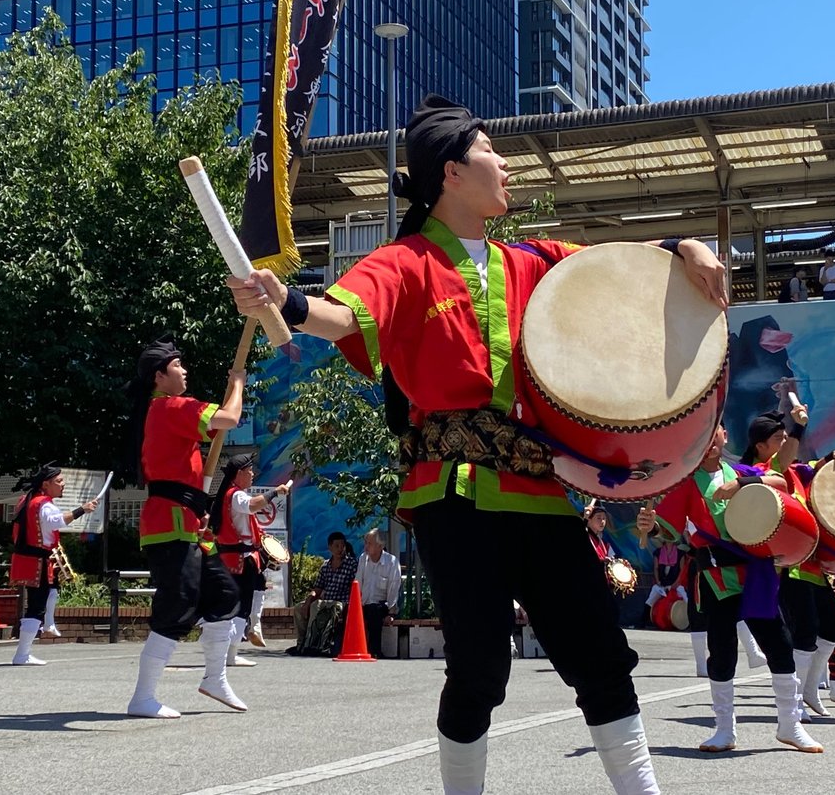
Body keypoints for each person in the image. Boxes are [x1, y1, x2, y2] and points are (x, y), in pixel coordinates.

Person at [230, 94, 726, 795]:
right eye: (492, 152)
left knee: (599, 653)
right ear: (452, 173)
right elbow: (342, 316)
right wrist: (285, 302)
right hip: (453, 493)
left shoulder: (532, 262)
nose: (505, 165)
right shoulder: (404, 262)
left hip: (539, 488)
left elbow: (623, 269)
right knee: (480, 667)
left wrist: (690, 248)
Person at [639, 425, 822, 754]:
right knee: (721, 653)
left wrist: (742, 483)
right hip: (715, 578)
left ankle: (790, 725)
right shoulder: (685, 485)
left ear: (725, 436)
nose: (711, 441)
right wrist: (649, 527)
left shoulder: (740, 471)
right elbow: (664, 533)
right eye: (704, 435)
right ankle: (724, 729)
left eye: (716, 433)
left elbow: (779, 481)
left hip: (755, 575)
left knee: (779, 645)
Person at [124, 335, 247, 718]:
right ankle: (142, 696)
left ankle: (214, 678)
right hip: (169, 523)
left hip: (189, 521)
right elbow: (230, 418)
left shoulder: (168, 412)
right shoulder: (169, 407)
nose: (184, 370)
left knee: (225, 595)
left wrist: (199, 505)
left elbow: (183, 469)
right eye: (177, 365)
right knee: (177, 602)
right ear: (160, 376)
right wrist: (238, 382)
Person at [742, 409, 835, 720]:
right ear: (760, 446)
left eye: (784, 438)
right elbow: (786, 457)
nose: (784, 443)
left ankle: (809, 692)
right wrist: (798, 426)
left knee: (832, 630)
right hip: (786, 566)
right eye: (778, 439)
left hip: (812, 564)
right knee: (804, 633)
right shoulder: (763, 472)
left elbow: (817, 469)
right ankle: (796, 701)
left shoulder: (796, 471)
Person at [8, 464, 98, 666]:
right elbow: (56, 521)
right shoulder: (44, 504)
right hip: (37, 559)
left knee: (51, 592)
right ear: (45, 484)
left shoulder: (27, 500)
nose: (63, 484)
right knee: (36, 605)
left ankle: (48, 624)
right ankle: (22, 654)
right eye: (59, 481)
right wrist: (81, 509)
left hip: (30, 557)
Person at [212, 454, 290, 668]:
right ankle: (232, 652)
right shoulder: (236, 496)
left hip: (243, 557)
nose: (253, 473)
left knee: (258, 588)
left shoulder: (233, 495)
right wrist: (275, 492)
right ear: (239, 474)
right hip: (239, 559)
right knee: (241, 607)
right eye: (249, 470)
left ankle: (253, 627)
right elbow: (254, 505)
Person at [290, 531, 357, 656]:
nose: (340, 549)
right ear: (330, 547)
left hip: (341, 602)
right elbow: (318, 588)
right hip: (325, 601)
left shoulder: (352, 564)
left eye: (342, 545)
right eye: (337, 546)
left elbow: (355, 587)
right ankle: (301, 643)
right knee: (300, 607)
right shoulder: (325, 566)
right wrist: (308, 601)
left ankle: (313, 644)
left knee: (317, 606)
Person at [355, 527, 402, 658]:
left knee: (374, 611)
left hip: (382, 606)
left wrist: (391, 612)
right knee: (347, 613)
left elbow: (394, 588)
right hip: (363, 604)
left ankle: (374, 651)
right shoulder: (363, 559)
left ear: (380, 545)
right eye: (366, 543)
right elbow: (358, 583)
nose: (366, 547)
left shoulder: (391, 562)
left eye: (369, 543)